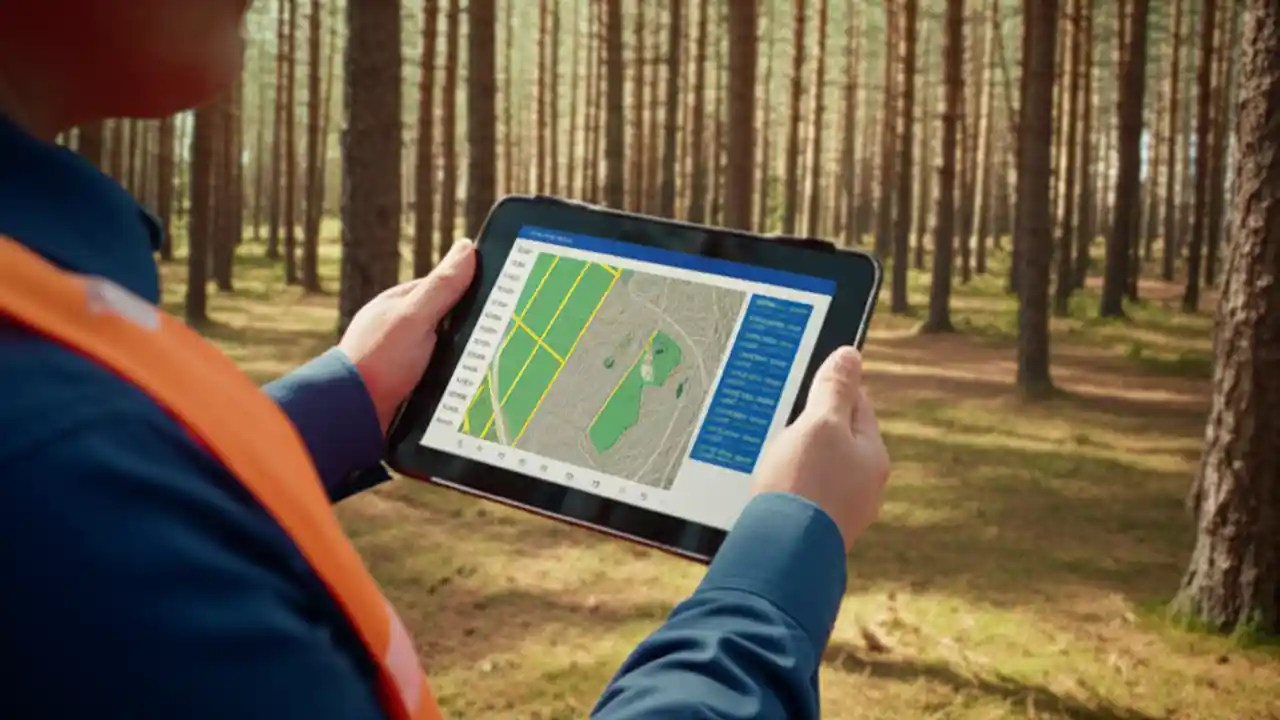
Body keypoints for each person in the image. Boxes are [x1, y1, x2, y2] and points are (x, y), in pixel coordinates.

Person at [0, 1, 890, 718]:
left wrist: (349, 402)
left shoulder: (56, 399)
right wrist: (781, 562)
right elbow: (99, 504)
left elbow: (152, 504)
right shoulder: (60, 473)